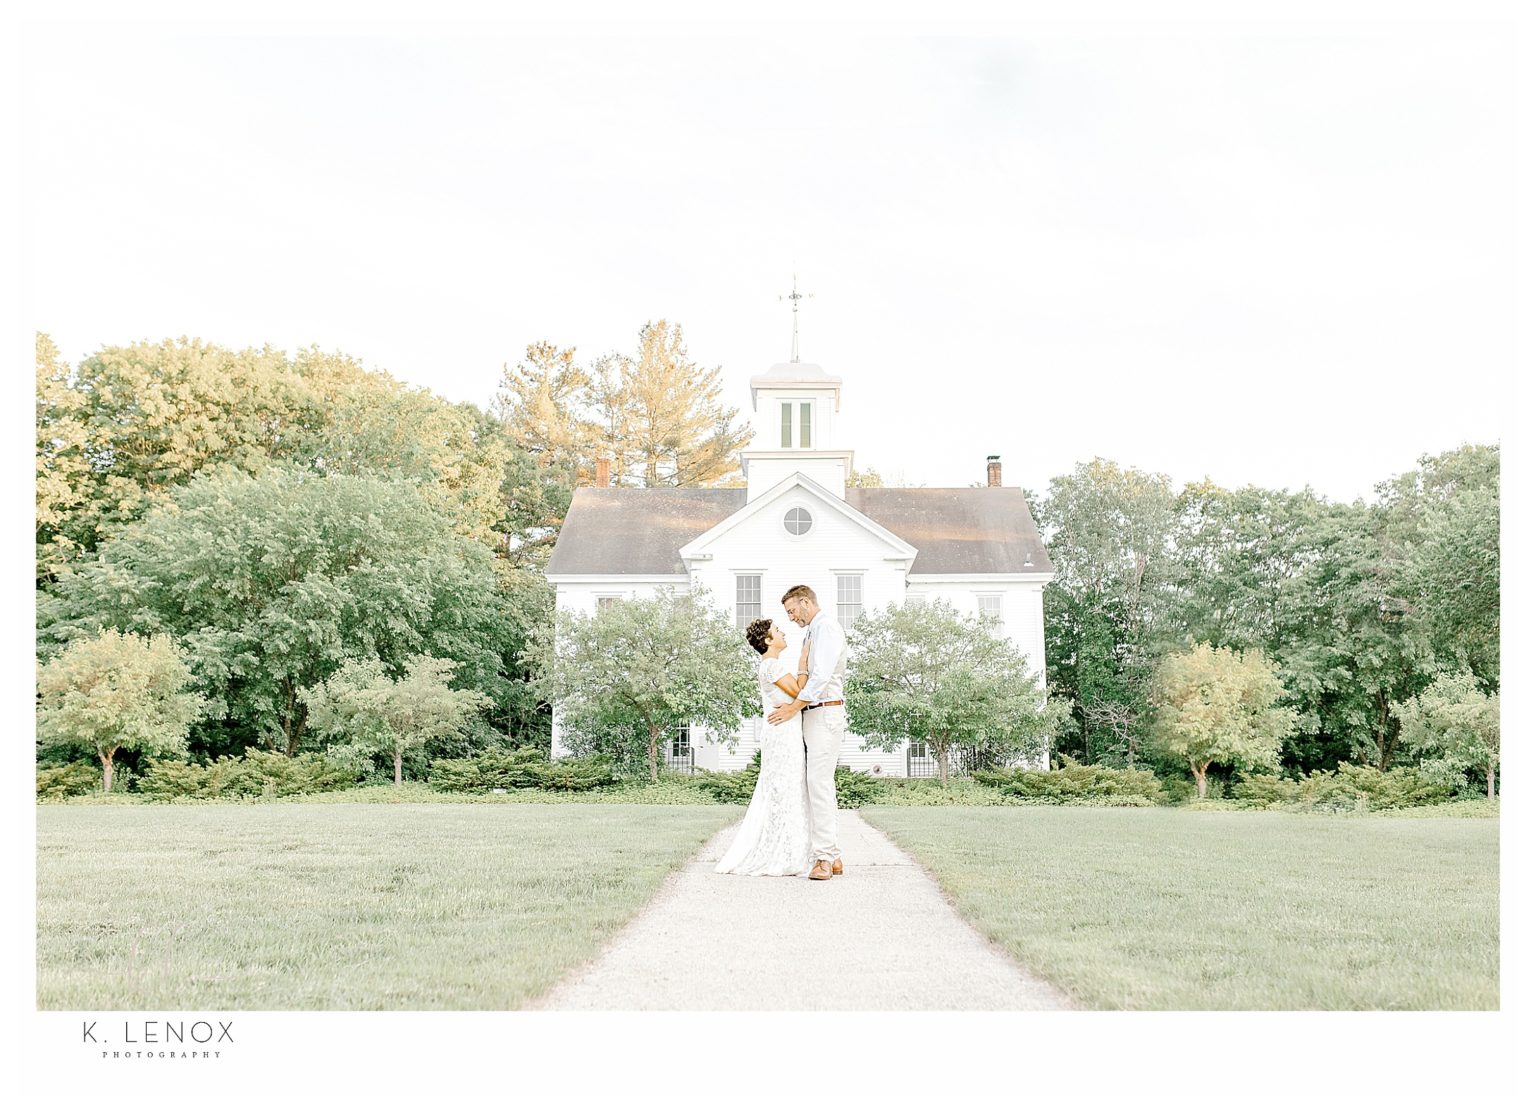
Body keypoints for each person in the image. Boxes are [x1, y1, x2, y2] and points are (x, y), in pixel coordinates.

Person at [714, 619, 815, 877]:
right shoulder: (772, 666)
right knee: (785, 788)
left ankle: (791, 849)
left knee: (787, 788)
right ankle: (785, 853)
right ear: (768, 640)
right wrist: (803, 660)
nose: (783, 633)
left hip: (785, 732)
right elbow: (801, 692)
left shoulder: (770, 665)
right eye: (777, 631)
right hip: (782, 735)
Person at [766, 584, 846, 881]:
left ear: (805, 602)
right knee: (817, 785)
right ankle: (833, 855)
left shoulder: (826, 628)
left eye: (792, 611)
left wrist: (792, 708)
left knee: (818, 784)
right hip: (813, 714)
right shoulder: (813, 631)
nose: (791, 618)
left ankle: (823, 858)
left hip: (825, 712)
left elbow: (821, 677)